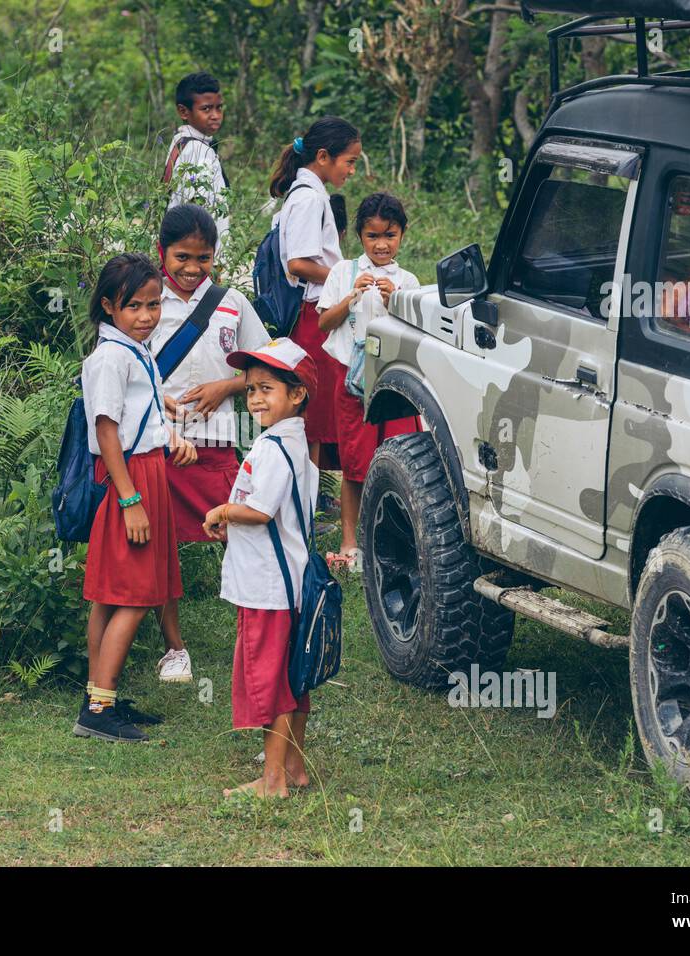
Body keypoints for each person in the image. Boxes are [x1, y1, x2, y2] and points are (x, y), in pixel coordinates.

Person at [77, 253, 198, 742]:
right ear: (109, 306)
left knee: (114, 592)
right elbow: (106, 430)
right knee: (132, 593)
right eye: (135, 307)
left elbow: (135, 411)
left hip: (147, 471)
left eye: (154, 305)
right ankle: (98, 710)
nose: (147, 316)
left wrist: (166, 424)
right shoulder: (109, 357)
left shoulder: (133, 349)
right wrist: (130, 501)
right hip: (130, 479)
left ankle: (99, 694)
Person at [149, 204, 269, 683]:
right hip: (156, 442)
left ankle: (260, 633)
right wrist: (161, 402)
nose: (193, 268)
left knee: (239, 532)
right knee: (158, 546)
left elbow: (266, 364)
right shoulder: (144, 299)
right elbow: (119, 371)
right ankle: (174, 648)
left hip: (216, 441)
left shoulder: (232, 302)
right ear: (162, 253)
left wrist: (229, 386)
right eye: (182, 257)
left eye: (203, 257)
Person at [204, 338, 321, 798]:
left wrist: (224, 512)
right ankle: (293, 766)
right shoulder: (296, 443)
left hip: (267, 586)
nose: (255, 398)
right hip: (290, 580)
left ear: (297, 395)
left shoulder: (271, 448)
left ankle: (272, 781)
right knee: (293, 676)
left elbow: (261, 510)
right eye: (250, 389)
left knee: (270, 681)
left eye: (267, 388)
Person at [317, 192, 422, 569]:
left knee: (400, 459)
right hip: (351, 381)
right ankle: (351, 545)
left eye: (389, 235)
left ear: (402, 235)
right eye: (372, 235)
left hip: (394, 383)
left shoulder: (407, 280)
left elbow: (416, 337)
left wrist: (398, 303)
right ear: (359, 235)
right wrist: (350, 298)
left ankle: (395, 544)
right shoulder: (343, 272)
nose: (381, 244)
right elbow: (323, 323)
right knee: (355, 464)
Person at [267, 116, 361, 468]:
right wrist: (345, 277)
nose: (351, 171)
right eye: (349, 161)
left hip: (313, 313)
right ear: (323, 157)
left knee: (316, 415)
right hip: (311, 316)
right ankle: (309, 502)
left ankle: (313, 499)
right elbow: (299, 264)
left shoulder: (308, 194)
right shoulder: (309, 199)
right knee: (314, 416)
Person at [162, 72, 229, 250]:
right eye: (206, 109)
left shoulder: (181, 142)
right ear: (183, 111)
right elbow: (199, 213)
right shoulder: (199, 152)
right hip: (199, 252)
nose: (215, 115)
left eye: (219, 108)